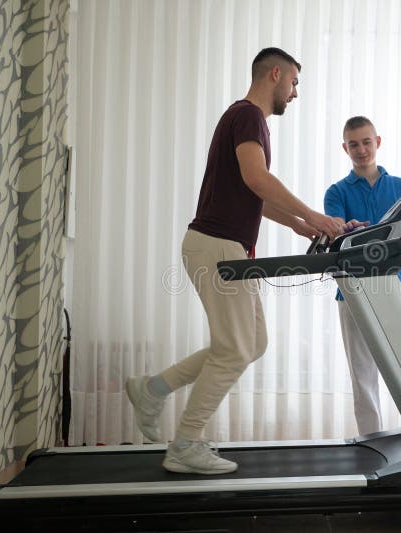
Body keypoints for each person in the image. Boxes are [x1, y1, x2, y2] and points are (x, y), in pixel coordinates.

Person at [126, 47, 343, 475]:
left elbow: (252, 192)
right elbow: (257, 178)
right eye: (294, 82)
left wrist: (300, 225)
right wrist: (313, 215)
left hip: (223, 246)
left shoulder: (244, 119)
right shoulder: (248, 116)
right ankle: (185, 443)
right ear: (275, 74)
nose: (295, 93)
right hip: (217, 246)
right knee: (235, 350)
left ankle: (153, 389)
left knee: (251, 343)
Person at [324, 116, 401, 435]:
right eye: (353, 144)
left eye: (367, 142)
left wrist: (394, 256)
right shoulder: (336, 193)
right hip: (352, 293)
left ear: (377, 142)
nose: (362, 150)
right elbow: (336, 239)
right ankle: (371, 439)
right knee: (363, 375)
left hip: (398, 289)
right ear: (345, 148)